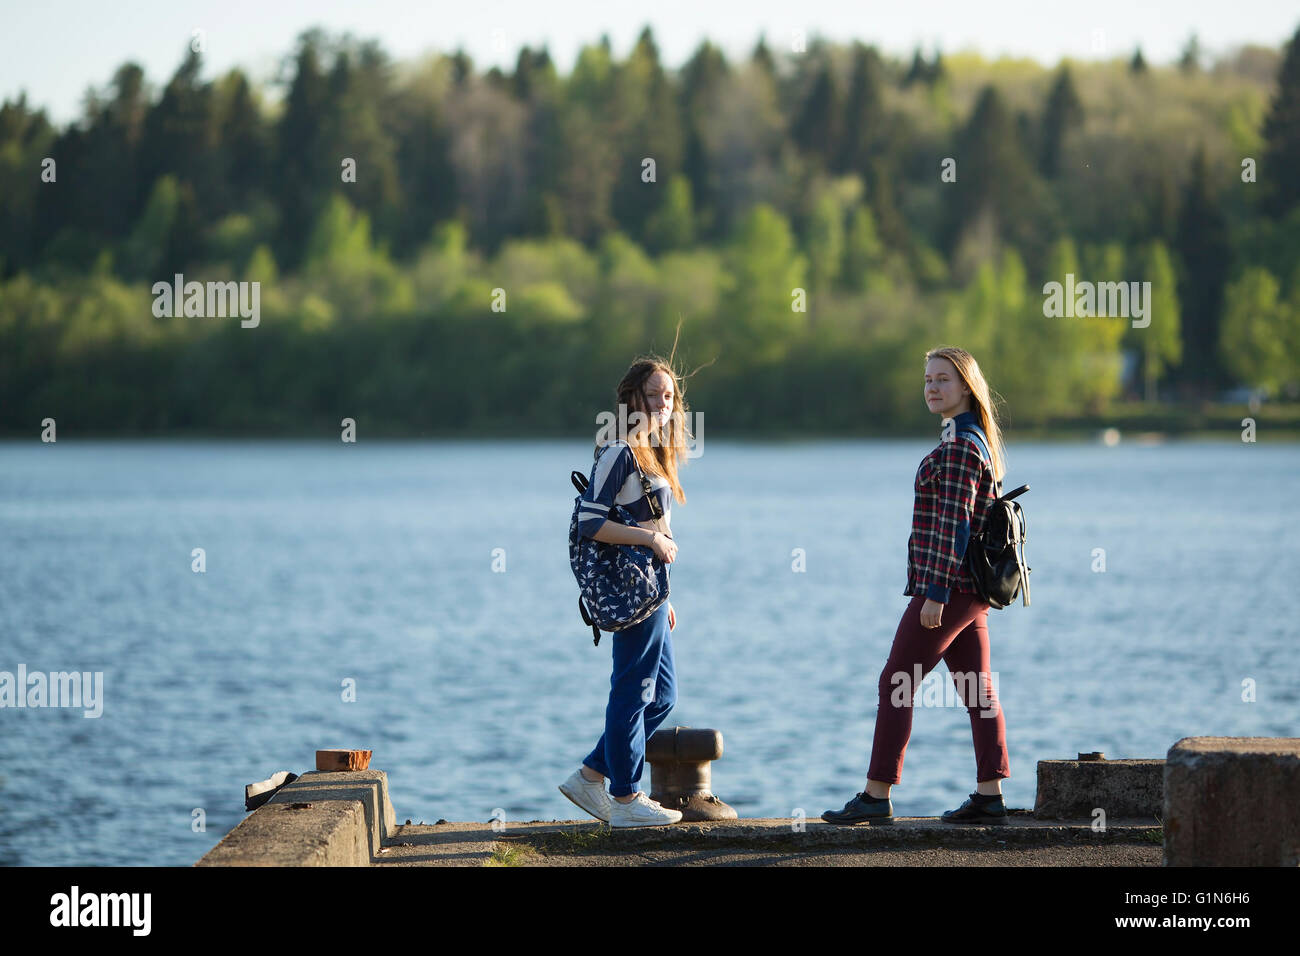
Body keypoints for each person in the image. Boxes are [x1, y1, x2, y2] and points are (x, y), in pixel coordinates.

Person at [824, 345, 1012, 825]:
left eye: (943, 379)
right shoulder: (968, 441)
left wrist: (935, 593)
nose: (932, 387)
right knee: (976, 688)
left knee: (896, 682)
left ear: (966, 387)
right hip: (969, 591)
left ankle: (876, 794)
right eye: (928, 379)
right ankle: (990, 796)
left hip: (950, 588)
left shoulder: (961, 448)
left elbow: (953, 526)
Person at [559, 355, 692, 828]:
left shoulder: (649, 452)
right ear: (632, 398)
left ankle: (592, 774)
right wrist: (650, 540)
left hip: (655, 593)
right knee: (633, 690)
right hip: (633, 593)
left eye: (670, 396)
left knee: (661, 696)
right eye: (654, 394)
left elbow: (648, 517)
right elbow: (592, 522)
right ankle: (626, 798)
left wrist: (668, 594)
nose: (663, 403)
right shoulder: (618, 451)